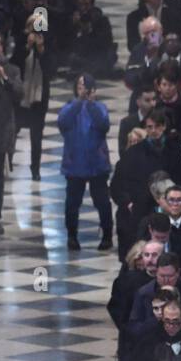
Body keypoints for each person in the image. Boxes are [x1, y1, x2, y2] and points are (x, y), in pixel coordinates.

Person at [57, 72, 113, 252]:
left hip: (97, 164)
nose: (84, 90)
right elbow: (63, 123)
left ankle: (107, 235)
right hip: (74, 165)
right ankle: (72, 236)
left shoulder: (99, 107)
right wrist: (79, 102)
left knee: (102, 202)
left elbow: (103, 125)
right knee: (72, 203)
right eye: (80, 86)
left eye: (87, 87)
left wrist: (89, 104)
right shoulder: (69, 106)